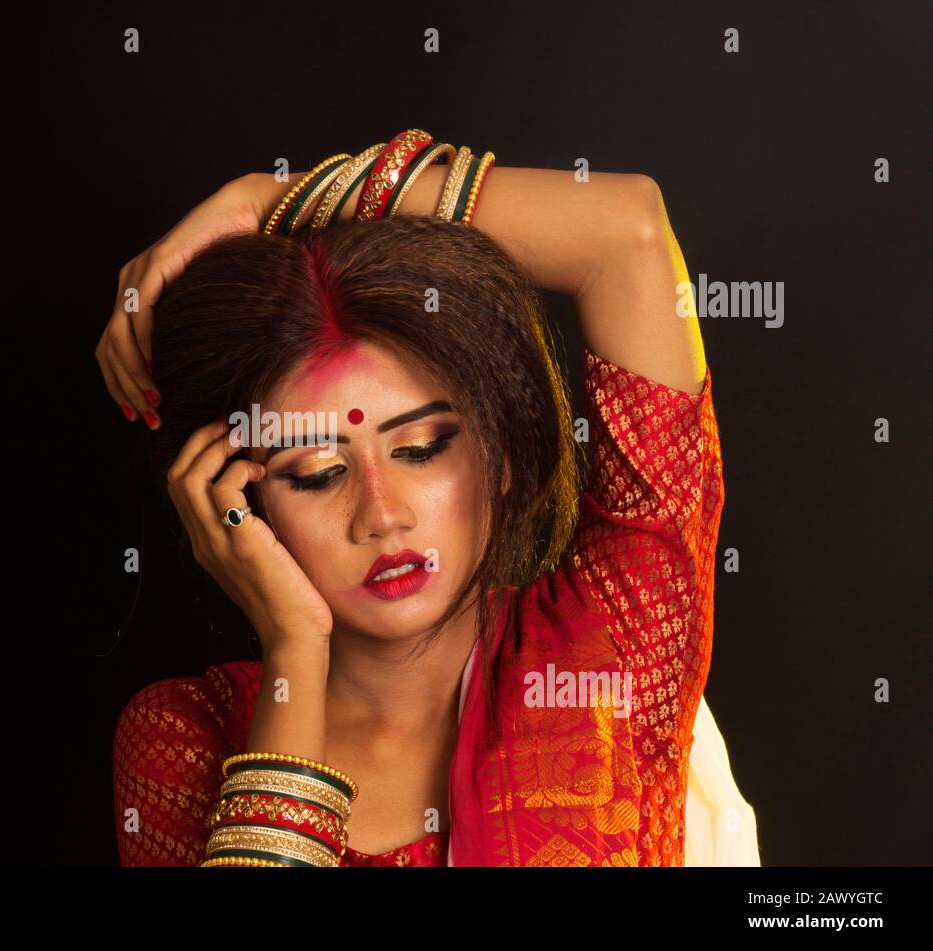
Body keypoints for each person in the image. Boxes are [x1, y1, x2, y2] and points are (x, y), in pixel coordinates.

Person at [101, 131, 758, 866]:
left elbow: (624, 229)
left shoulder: (614, 639)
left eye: (420, 449)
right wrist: (294, 647)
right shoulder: (184, 734)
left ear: (501, 455)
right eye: (317, 472)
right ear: (236, 501)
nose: (383, 514)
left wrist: (270, 199)